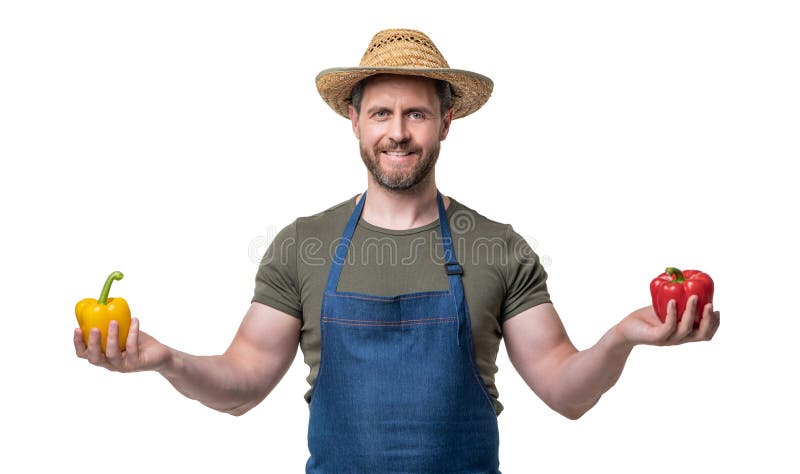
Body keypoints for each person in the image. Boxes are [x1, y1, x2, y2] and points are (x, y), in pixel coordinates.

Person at [74, 29, 721, 473]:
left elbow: (566, 390)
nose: (399, 132)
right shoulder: (304, 245)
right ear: (352, 120)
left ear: (446, 121)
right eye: (381, 113)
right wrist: (165, 359)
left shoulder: (497, 248)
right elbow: (241, 382)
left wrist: (621, 339)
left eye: (416, 113)